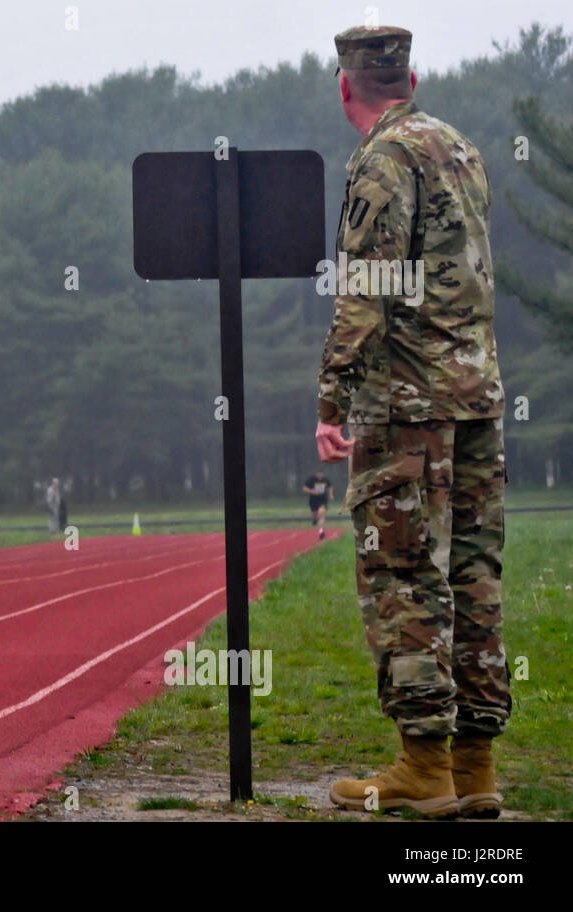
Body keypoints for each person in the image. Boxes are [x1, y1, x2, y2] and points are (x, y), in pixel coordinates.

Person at [316, 26, 508, 819]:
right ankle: (475, 767)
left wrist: (332, 394)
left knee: (403, 576)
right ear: (412, 78)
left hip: (408, 407)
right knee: (473, 575)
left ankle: (423, 765)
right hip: (477, 399)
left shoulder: (384, 159)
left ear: (344, 88)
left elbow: (370, 282)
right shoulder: (459, 148)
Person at [302, 471, 333, 540]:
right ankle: (314, 519)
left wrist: (331, 495)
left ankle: (321, 531)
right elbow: (304, 488)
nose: (320, 476)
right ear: (316, 474)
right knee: (315, 514)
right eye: (319, 474)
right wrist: (312, 491)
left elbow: (330, 486)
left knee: (321, 513)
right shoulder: (311, 479)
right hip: (313, 500)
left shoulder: (325, 480)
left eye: (321, 474)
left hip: (323, 500)